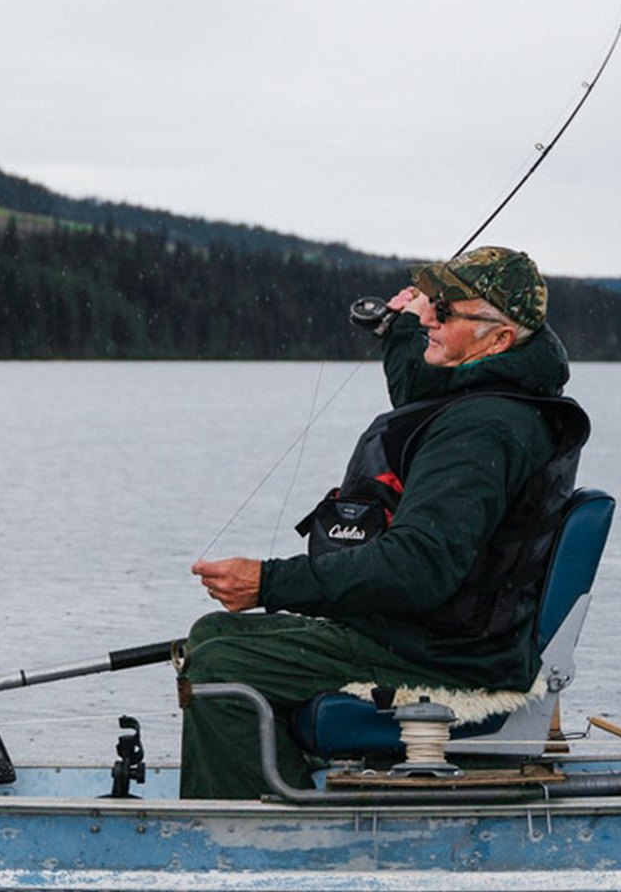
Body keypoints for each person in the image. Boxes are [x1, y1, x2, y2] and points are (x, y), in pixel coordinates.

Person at [180, 245, 589, 799]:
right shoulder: (501, 394)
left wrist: (270, 582)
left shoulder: (482, 430)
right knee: (211, 635)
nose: (427, 318)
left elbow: (417, 568)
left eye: (445, 312)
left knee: (224, 661)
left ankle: (259, 834)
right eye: (431, 304)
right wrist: (399, 333)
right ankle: (285, 791)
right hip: (448, 632)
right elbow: (424, 398)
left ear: (498, 339)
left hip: (445, 653)